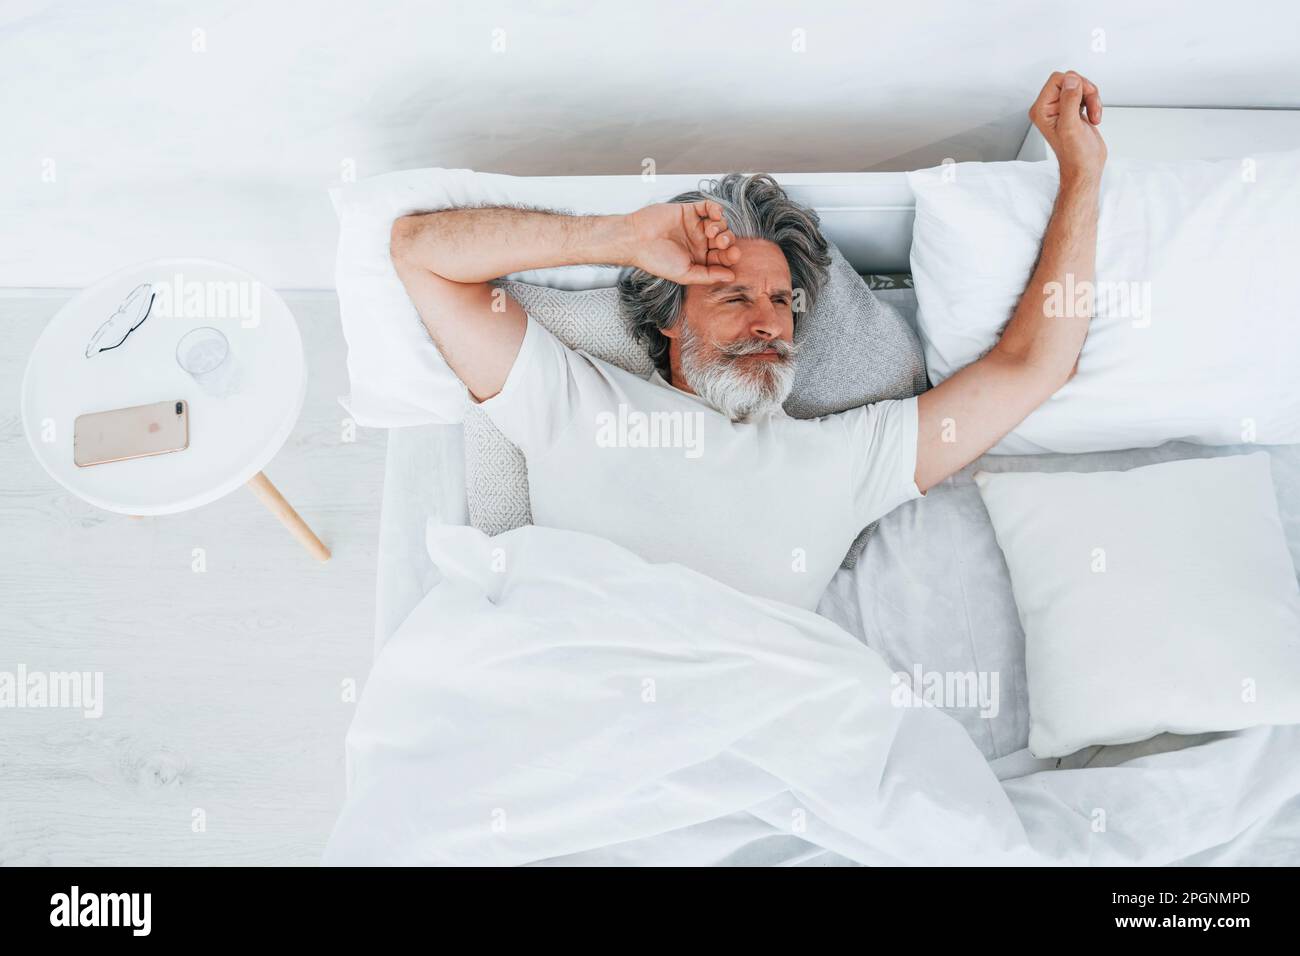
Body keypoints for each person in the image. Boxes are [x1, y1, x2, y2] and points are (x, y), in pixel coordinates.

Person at [389, 71, 1106, 610]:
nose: (768, 322)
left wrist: (1081, 173)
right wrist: (616, 236)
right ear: (669, 318)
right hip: (583, 703)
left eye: (781, 301)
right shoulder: (577, 402)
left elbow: (1033, 364)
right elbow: (419, 250)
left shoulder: (849, 455)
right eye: (732, 296)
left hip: (759, 740)